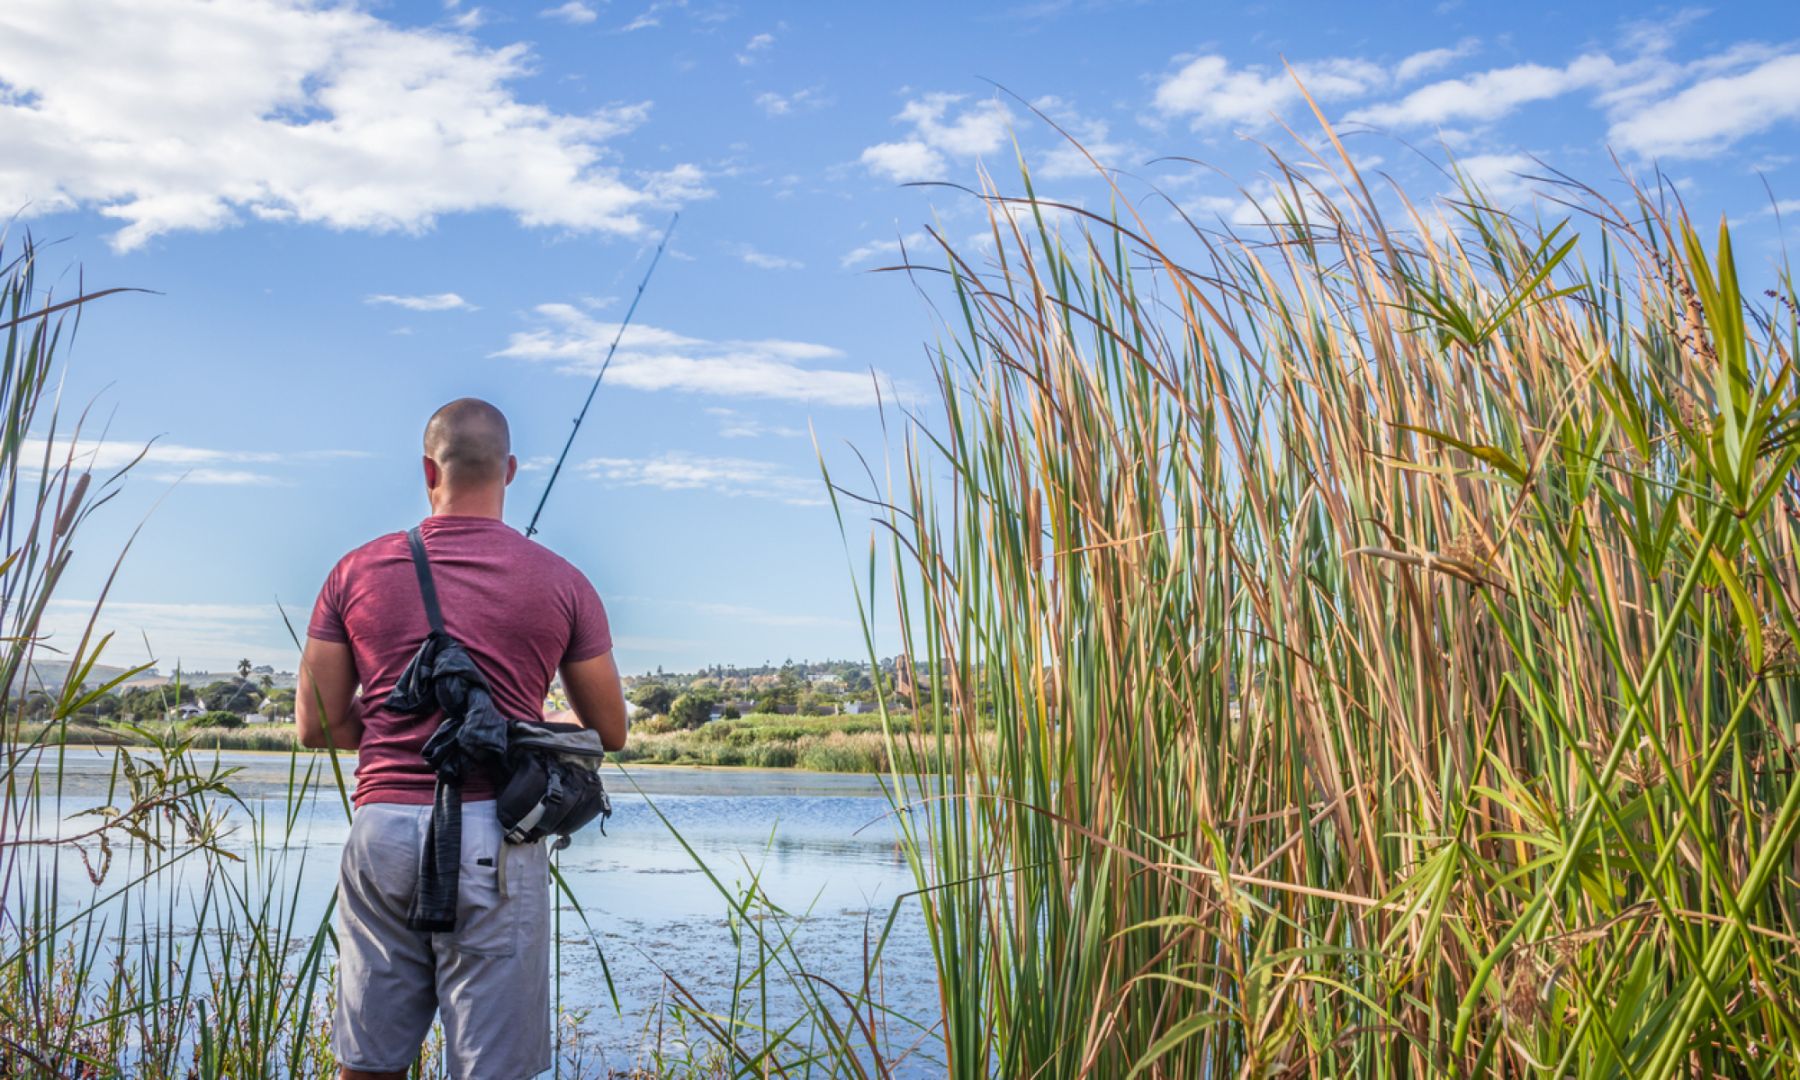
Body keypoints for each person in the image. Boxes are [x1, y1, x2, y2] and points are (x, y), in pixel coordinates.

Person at [297, 397, 628, 1080]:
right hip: (495, 836)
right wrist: (532, 725)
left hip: (382, 827)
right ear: (509, 470)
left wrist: (399, 722)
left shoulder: (353, 572)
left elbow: (316, 725)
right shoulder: (563, 581)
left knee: (367, 1063)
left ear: (428, 470)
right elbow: (611, 730)